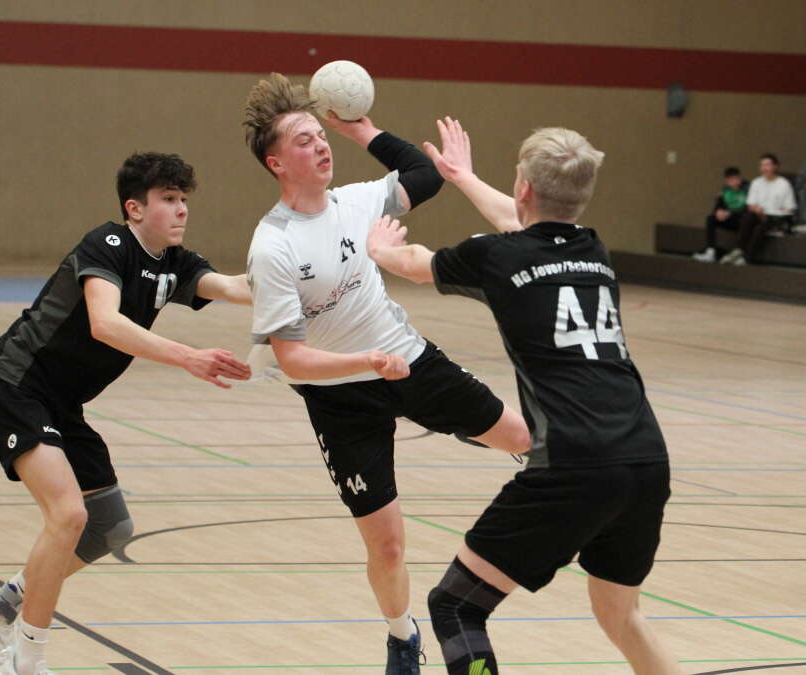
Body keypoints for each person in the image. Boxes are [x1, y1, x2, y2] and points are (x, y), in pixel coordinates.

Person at [366, 119, 680, 675]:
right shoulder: (594, 251)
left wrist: (380, 246)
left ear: (524, 187)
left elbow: (415, 265)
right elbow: (526, 227)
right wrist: (462, 177)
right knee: (621, 615)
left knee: (456, 606)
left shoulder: (495, 257)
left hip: (574, 463)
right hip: (646, 457)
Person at [240, 75, 531, 673]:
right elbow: (292, 359)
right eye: (304, 140)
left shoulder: (358, 199)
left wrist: (362, 129)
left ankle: (573, 505)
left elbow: (422, 174)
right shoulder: (273, 247)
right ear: (276, 162)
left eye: (323, 136)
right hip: (339, 398)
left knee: (526, 439)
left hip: (411, 361)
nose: (321, 146)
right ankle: (403, 637)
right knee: (388, 544)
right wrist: (364, 363)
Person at [0, 152, 254, 675]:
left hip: (61, 403)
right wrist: (189, 356)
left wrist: (311, 280)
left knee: (108, 526)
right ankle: (27, 658)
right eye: (168, 199)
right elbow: (105, 324)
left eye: (184, 200)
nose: (181, 210)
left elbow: (232, 286)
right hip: (16, 384)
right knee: (69, 515)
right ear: (134, 208)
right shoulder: (108, 244)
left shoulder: (173, 263)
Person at [718, 153, 796, 265]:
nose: (764, 168)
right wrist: (758, 211)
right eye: (762, 165)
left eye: (767, 165)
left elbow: (790, 209)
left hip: (776, 217)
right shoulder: (756, 182)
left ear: (775, 166)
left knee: (761, 227)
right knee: (748, 217)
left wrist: (771, 213)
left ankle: (747, 257)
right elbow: (750, 205)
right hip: (758, 214)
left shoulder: (784, 184)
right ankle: (738, 250)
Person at [692, 166, 748, 262]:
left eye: (736, 178)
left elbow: (748, 210)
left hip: (741, 220)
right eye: (731, 179)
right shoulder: (724, 191)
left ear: (740, 178)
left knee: (746, 219)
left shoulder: (747, 189)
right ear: (726, 181)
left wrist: (730, 213)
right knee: (710, 218)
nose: (734, 181)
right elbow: (717, 207)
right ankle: (710, 251)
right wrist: (718, 212)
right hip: (729, 220)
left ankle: (741, 254)